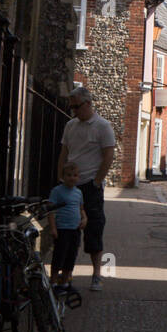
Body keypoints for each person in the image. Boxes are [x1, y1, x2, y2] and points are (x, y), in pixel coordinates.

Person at [58, 87, 116, 291]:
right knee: (68, 231)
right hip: (69, 187)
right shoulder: (70, 126)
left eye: (77, 106)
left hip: (90, 186)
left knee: (93, 228)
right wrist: (60, 177)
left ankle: (97, 274)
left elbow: (108, 155)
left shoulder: (102, 126)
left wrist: (97, 181)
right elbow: (64, 152)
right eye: (71, 106)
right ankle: (67, 275)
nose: (73, 110)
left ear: (88, 104)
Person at [47, 162, 87, 292]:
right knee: (59, 255)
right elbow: (51, 211)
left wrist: (84, 218)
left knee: (71, 255)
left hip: (75, 229)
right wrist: (53, 228)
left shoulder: (78, 193)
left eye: (75, 175)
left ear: (78, 177)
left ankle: (64, 282)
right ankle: (53, 281)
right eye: (69, 175)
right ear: (63, 176)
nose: (72, 178)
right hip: (62, 229)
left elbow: (81, 209)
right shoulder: (57, 191)